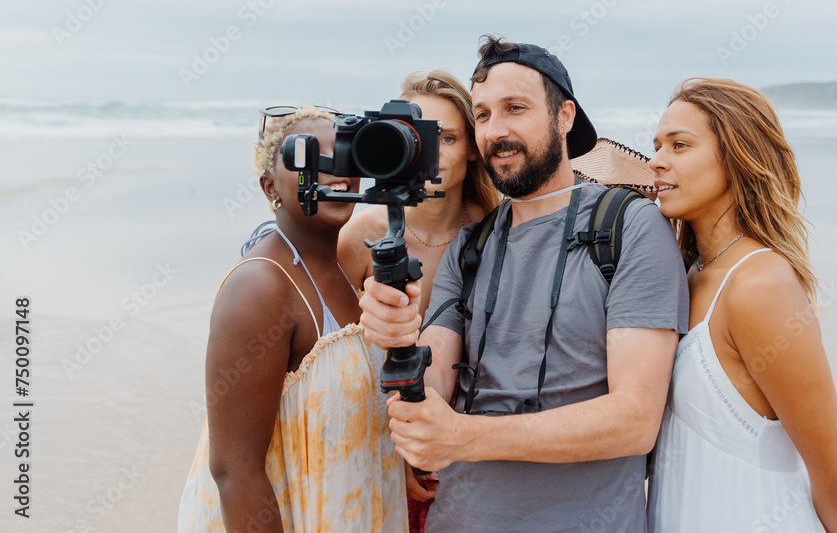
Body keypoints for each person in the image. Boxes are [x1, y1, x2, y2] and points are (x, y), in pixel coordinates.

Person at [359, 37, 689, 532]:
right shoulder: (470, 248)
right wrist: (396, 336)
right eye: (484, 115)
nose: (497, 130)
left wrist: (464, 436)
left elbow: (635, 420)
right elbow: (432, 385)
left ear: (564, 117)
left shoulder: (629, 227)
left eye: (515, 108)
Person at [645, 79, 837, 532]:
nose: (656, 161)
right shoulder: (686, 275)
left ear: (736, 155)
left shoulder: (759, 286)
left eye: (680, 145)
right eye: (656, 145)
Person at [178, 106, 407, 533]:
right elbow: (234, 469)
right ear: (271, 188)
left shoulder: (344, 269)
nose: (333, 168)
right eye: (306, 156)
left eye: (343, 152)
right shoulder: (260, 287)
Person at [338, 70, 500, 531]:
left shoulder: (497, 230)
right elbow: (334, 353)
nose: (432, 154)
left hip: (471, 443)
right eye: (418, 138)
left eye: (446, 137)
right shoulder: (366, 237)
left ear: (472, 146)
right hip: (379, 439)